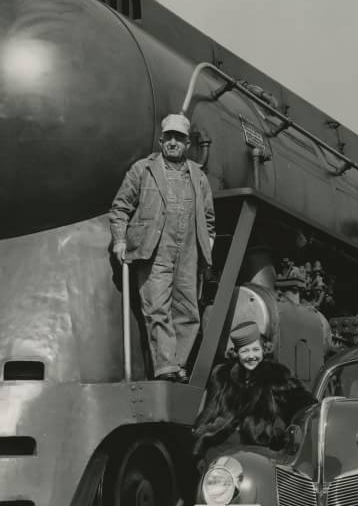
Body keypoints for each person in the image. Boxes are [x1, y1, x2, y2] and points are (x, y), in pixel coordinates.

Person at [108, 114, 216, 383]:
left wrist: (207, 246)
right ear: (160, 140)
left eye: (178, 138)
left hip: (189, 250)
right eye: (168, 137)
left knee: (188, 310)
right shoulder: (142, 169)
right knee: (157, 307)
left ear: (187, 143)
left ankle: (178, 364)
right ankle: (166, 366)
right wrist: (120, 239)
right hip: (154, 248)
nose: (173, 142)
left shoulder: (199, 176)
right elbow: (120, 207)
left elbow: (209, 219)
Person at [191, 321, 318, 464]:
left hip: (261, 447)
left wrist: (279, 431)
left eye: (255, 350)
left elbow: (307, 405)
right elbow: (209, 413)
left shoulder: (278, 375)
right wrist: (202, 438)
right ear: (236, 353)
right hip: (221, 444)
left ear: (263, 350)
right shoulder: (222, 376)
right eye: (245, 351)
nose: (251, 356)